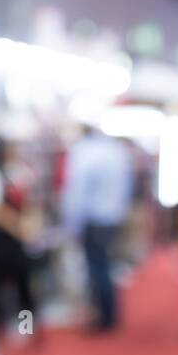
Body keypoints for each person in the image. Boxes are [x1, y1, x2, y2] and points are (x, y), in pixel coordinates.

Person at [61, 123, 135, 333]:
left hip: (93, 219)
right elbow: (126, 186)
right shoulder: (116, 152)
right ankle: (108, 313)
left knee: (97, 268)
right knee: (106, 266)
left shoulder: (84, 154)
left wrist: (72, 224)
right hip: (112, 217)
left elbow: (76, 192)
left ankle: (103, 316)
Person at [0, 142, 40, 343]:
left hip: (18, 240)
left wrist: (30, 226)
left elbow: (29, 203)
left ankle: (28, 329)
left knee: (24, 285)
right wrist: (18, 228)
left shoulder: (19, 172)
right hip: (0, 240)